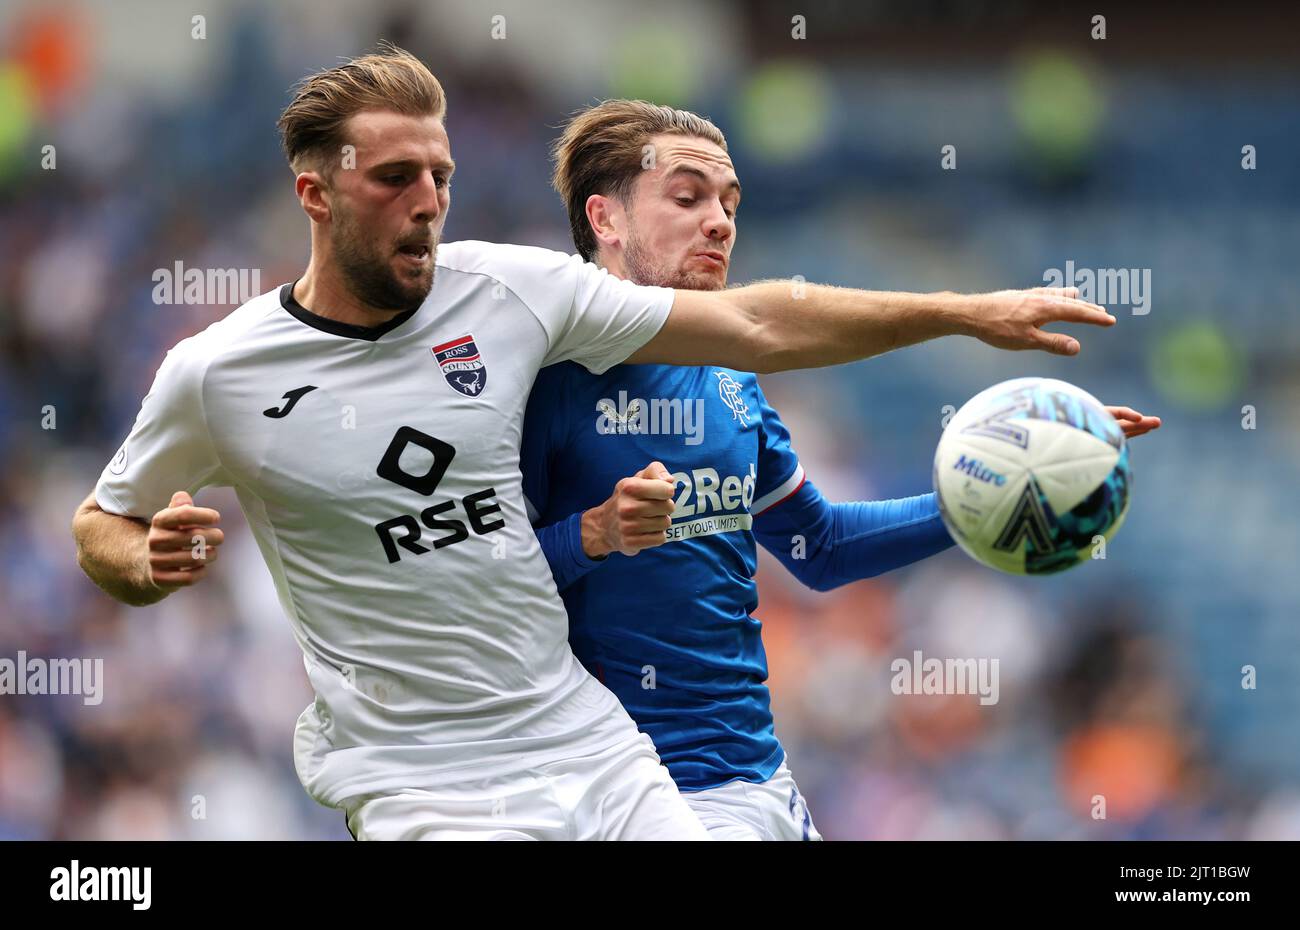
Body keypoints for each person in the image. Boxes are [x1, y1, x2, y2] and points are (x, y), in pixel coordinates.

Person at [70, 48, 1118, 841]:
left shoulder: (561, 317)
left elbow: (803, 485)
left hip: (644, 759)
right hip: (425, 765)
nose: (430, 203)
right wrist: (143, 563)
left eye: (440, 175)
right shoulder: (237, 373)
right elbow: (110, 524)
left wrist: (987, 462)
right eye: (395, 178)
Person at [521, 99, 1160, 840]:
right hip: (620, 797)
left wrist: (994, 499)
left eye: (730, 203)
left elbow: (816, 548)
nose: (721, 222)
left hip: (754, 784)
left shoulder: (729, 380)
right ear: (606, 220)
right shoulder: (542, 379)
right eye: (689, 197)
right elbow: (462, 579)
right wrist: (592, 535)